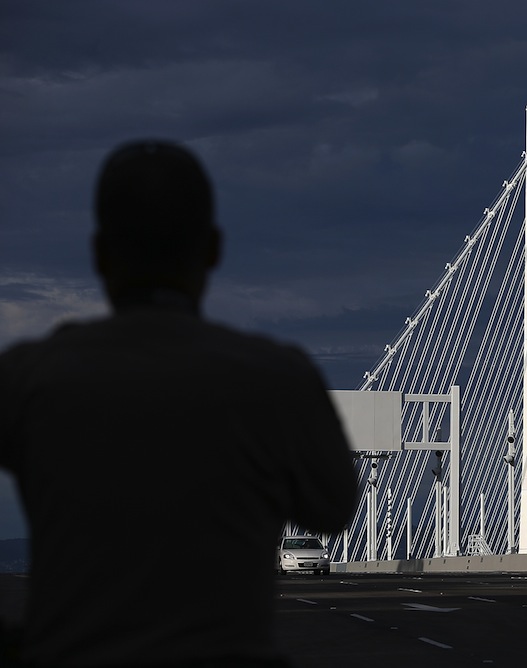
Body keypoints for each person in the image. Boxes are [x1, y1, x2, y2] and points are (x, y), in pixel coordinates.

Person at [0, 140, 358, 667]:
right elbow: (334, 508)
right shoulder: (278, 377)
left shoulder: (30, 376)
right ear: (213, 249)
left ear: (99, 253)